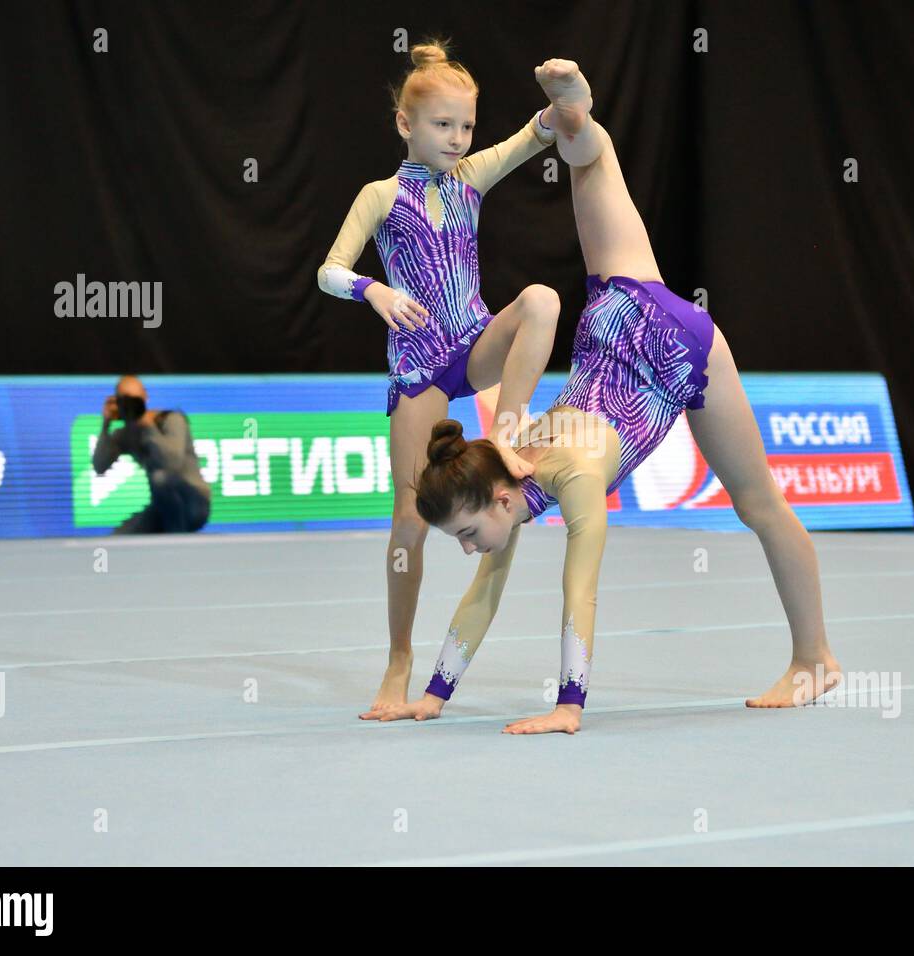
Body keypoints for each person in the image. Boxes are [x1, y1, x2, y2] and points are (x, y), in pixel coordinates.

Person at [367, 59, 840, 734]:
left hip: (664, 348)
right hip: (628, 311)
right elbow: (484, 598)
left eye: (469, 534)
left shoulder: (572, 477)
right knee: (591, 164)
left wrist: (568, 707)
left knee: (760, 501)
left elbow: (577, 594)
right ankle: (574, 122)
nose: (471, 551)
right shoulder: (512, 483)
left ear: (500, 496)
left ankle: (815, 659)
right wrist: (434, 697)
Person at [317, 38, 562, 713]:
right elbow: (330, 269)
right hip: (420, 367)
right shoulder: (381, 196)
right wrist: (373, 292)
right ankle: (398, 662)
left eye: (465, 127)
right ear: (405, 124)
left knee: (541, 300)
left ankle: (507, 433)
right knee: (408, 520)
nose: (456, 139)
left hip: (473, 342)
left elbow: (534, 136)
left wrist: (564, 99)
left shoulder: (470, 179)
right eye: (441, 125)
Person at [93, 375, 211, 534]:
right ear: (118, 404)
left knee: (160, 477)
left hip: (194, 502)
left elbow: (173, 464)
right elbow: (99, 466)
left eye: (135, 401)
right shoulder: (126, 433)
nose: (131, 406)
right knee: (119, 539)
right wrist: (105, 424)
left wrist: (148, 426)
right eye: (125, 401)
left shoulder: (170, 419)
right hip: (163, 506)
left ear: (145, 398)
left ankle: (178, 543)